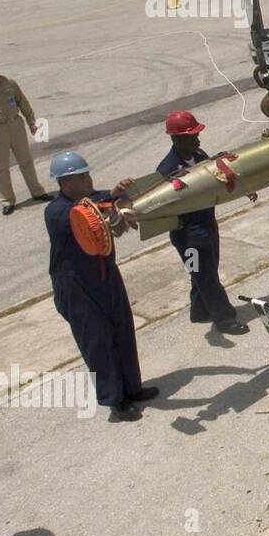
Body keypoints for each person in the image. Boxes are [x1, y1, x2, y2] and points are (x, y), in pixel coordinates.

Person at [44, 151, 157, 422]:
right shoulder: (56, 211)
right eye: (82, 177)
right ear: (65, 183)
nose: (88, 179)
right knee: (97, 341)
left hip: (106, 276)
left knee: (122, 330)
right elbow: (86, 214)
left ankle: (132, 387)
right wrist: (112, 202)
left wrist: (116, 193)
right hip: (76, 286)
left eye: (87, 174)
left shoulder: (89, 197)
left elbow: (98, 199)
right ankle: (115, 400)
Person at [156, 111, 251, 336]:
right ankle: (225, 319)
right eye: (192, 136)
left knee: (205, 270)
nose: (198, 140)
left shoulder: (198, 155)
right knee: (205, 275)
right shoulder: (167, 170)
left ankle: (199, 310)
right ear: (177, 139)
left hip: (207, 225)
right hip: (187, 235)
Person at [0, 59, 53, 216]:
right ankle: (8, 201)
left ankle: (37, 192)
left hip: (15, 124)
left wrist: (31, 122)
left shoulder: (7, 82)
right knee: (1, 167)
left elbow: (22, 101)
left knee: (26, 160)